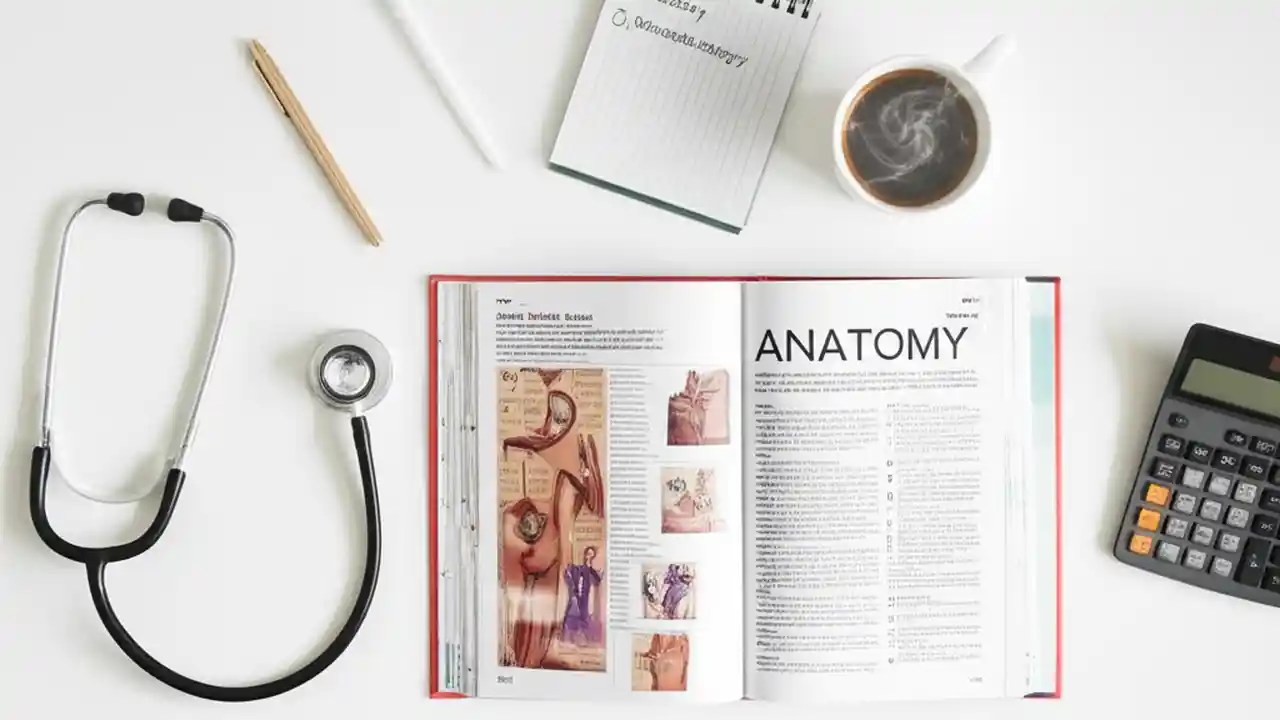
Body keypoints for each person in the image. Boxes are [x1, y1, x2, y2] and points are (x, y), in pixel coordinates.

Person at [562, 546, 603, 646]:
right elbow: (567, 575)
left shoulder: (590, 570)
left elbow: (597, 580)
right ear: (584, 554)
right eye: (588, 554)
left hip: (585, 596)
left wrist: (590, 568)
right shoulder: (576, 567)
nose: (589, 557)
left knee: (584, 616)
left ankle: (582, 638)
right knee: (571, 615)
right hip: (575, 595)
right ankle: (568, 637)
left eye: (592, 555)